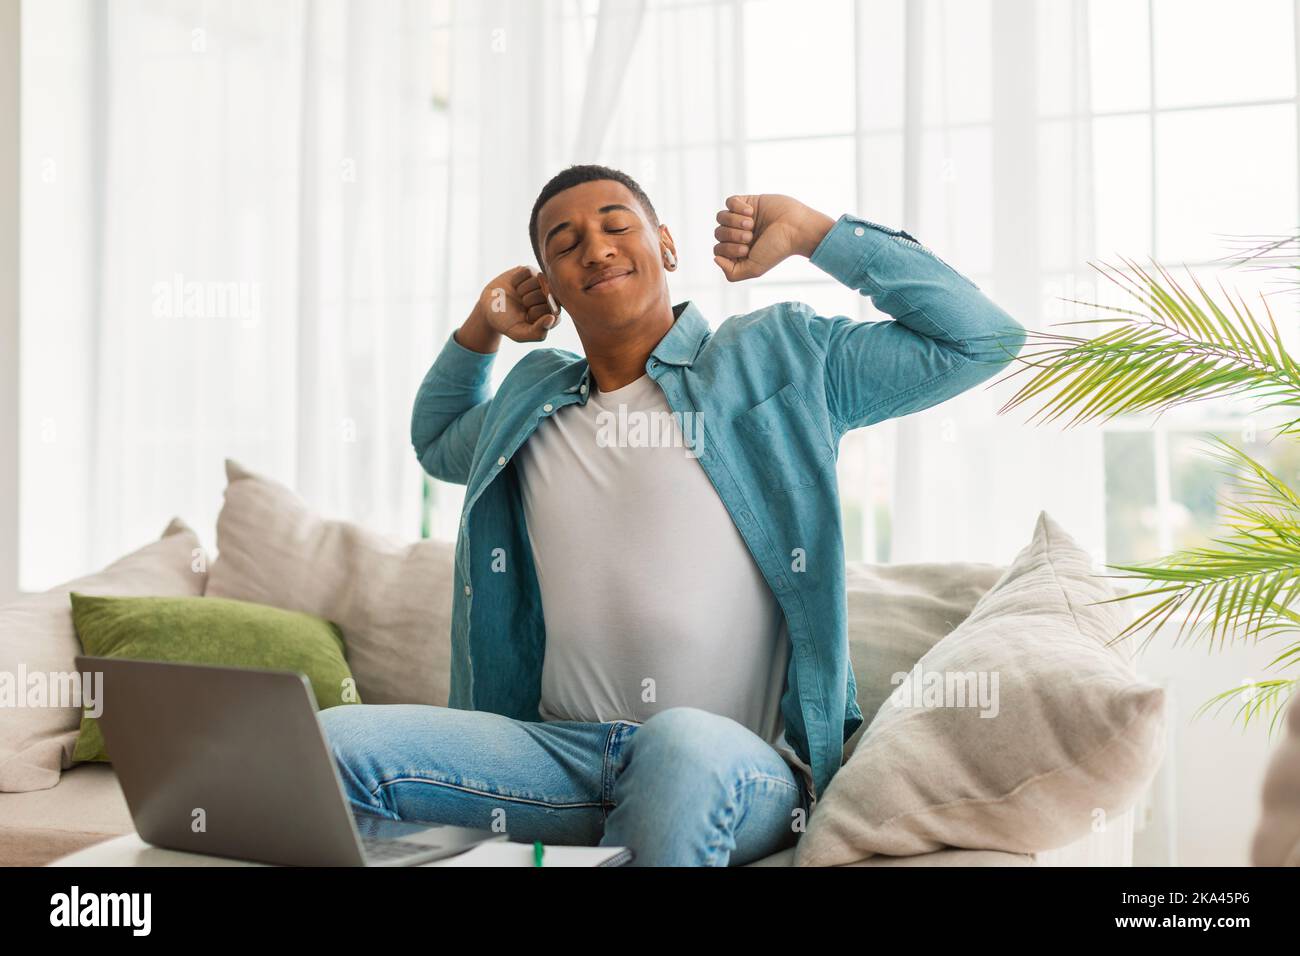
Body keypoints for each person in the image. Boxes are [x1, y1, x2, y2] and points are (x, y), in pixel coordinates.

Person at [319, 164, 1026, 866]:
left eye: (616, 226)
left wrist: (815, 233)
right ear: (551, 288)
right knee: (333, 745)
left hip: (731, 766)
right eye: (565, 245)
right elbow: (437, 439)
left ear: (666, 245)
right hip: (558, 758)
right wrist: (484, 325)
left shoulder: (777, 360)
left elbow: (980, 339)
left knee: (676, 745)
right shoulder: (531, 399)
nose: (596, 248)